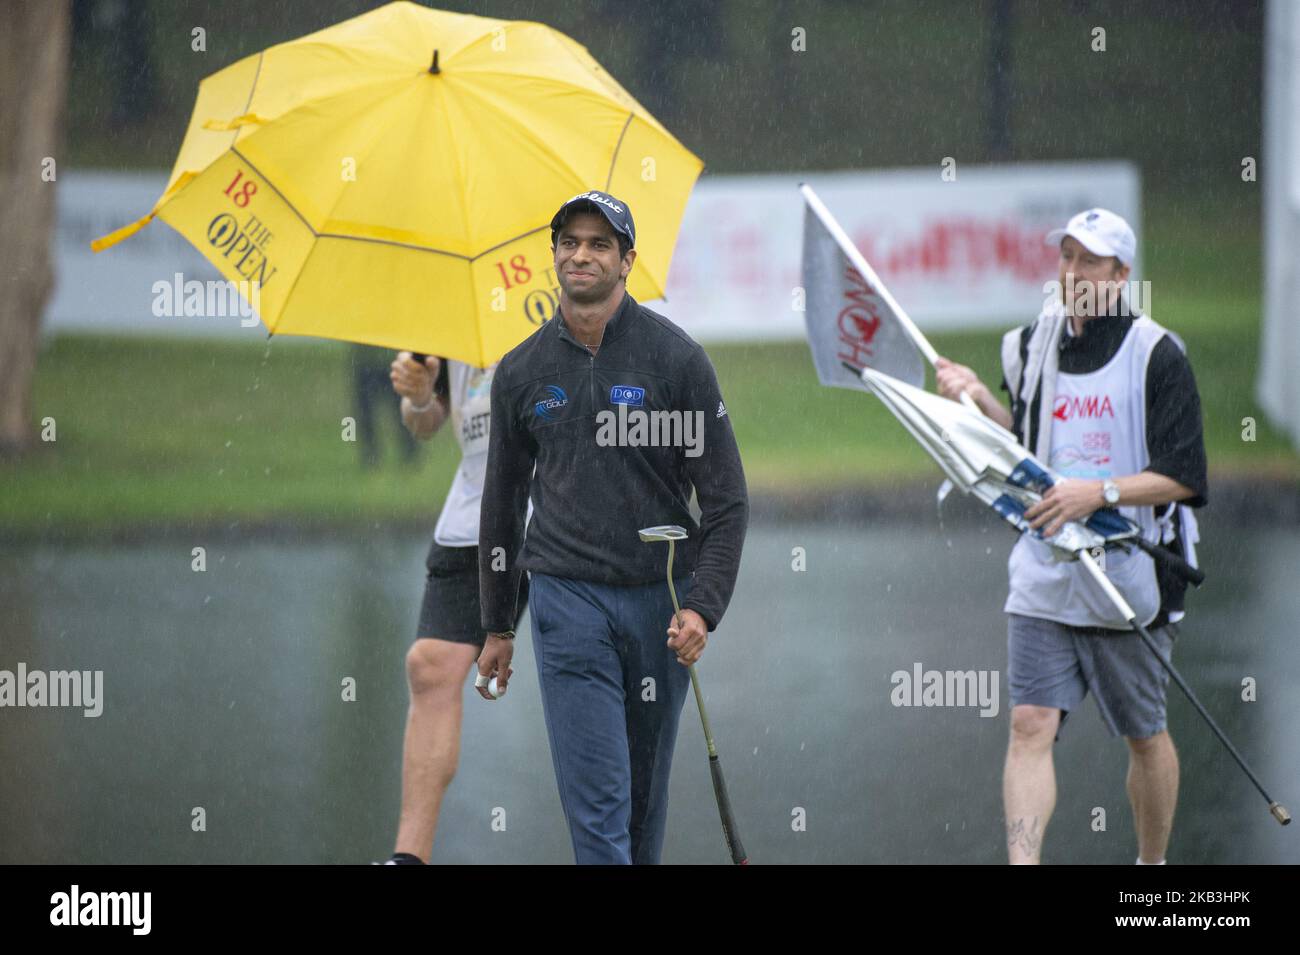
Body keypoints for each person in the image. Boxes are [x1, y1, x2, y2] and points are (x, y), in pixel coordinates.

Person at [476, 190, 749, 864]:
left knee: (641, 804)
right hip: (568, 598)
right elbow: (502, 505)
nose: (581, 254)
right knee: (597, 804)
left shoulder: (677, 361)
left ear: (628, 260)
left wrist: (703, 608)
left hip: (661, 600)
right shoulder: (520, 371)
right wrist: (498, 622)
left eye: (599, 244)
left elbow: (727, 501)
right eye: (569, 242)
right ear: (554, 257)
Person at [935, 208, 1207, 865]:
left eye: (1089, 261)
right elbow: (1029, 446)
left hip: (1128, 574)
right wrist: (977, 399)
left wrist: (1100, 491)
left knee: (1145, 734)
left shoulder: (1157, 355)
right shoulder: (1032, 345)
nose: (1072, 272)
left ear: (1120, 273)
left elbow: (1182, 475)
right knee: (1028, 724)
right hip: (1045, 565)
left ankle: (1151, 866)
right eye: (1066, 258)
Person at [378, 350, 528, 864]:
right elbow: (425, 423)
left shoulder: (564, 283)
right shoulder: (445, 307)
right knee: (429, 664)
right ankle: (409, 859)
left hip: (559, 503)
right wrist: (419, 396)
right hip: (476, 507)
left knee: (585, 675)